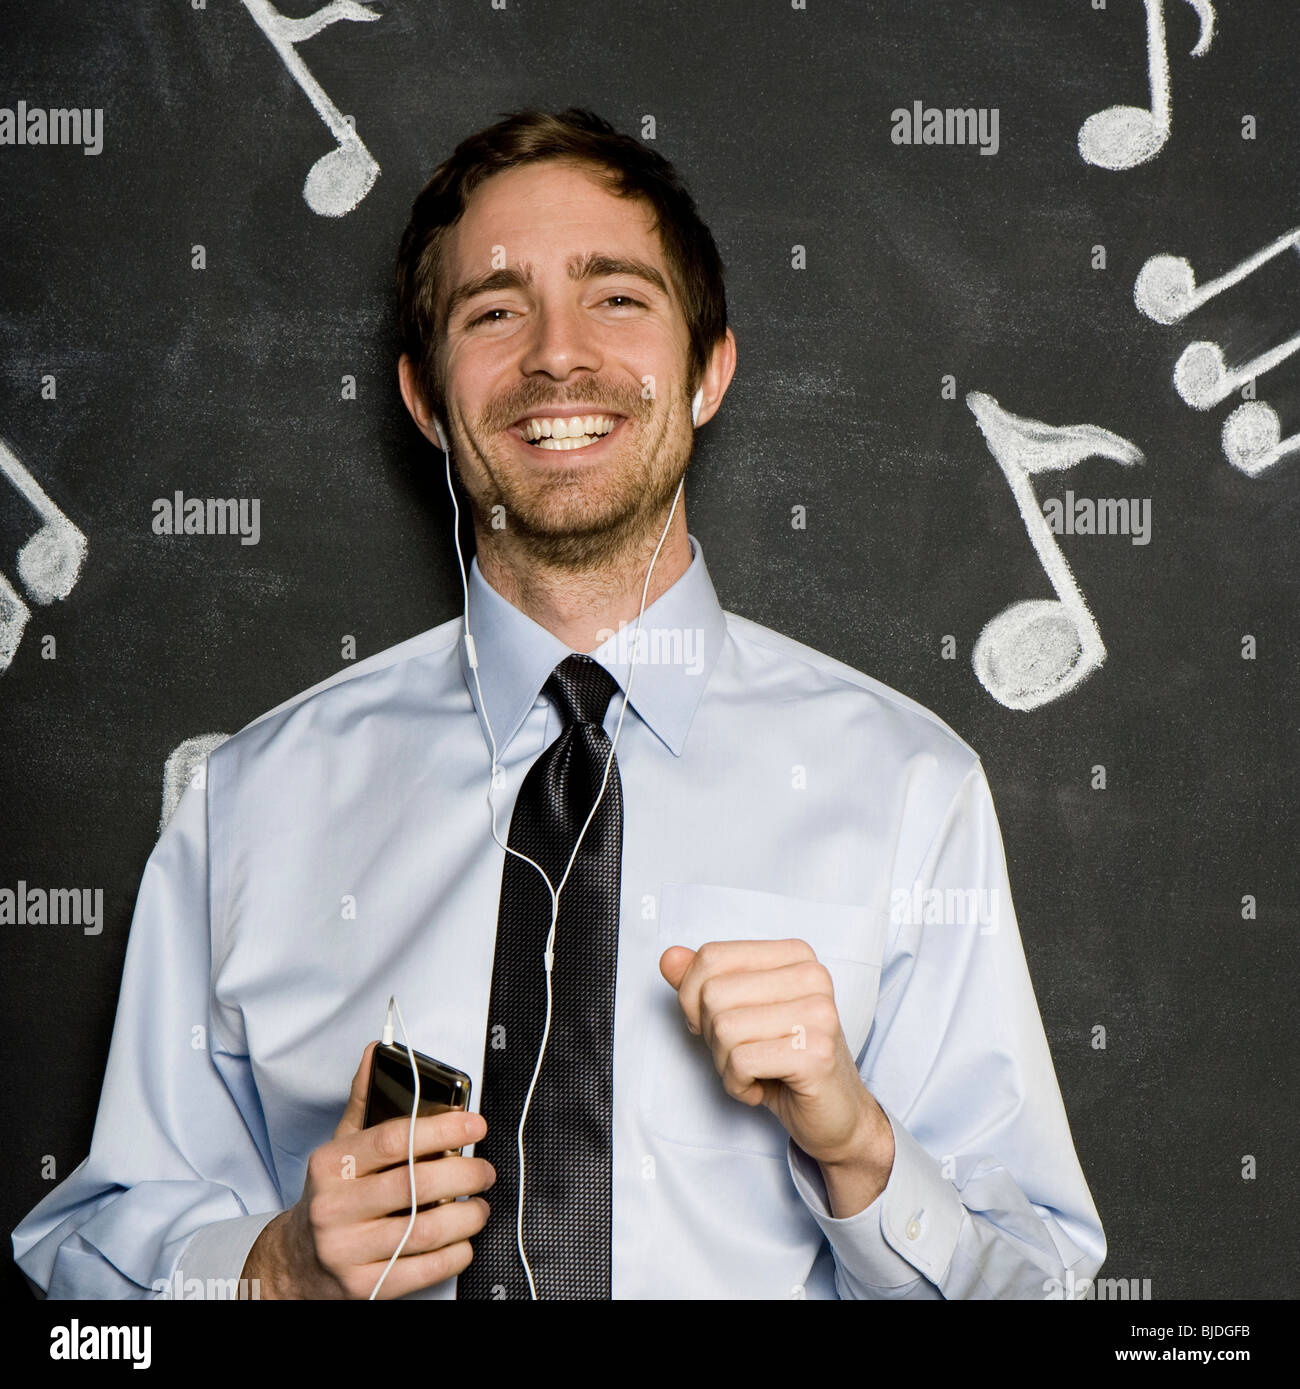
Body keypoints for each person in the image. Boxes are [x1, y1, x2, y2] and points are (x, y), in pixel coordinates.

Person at [12, 107, 1104, 1300]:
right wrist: (267, 1275)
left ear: (708, 374)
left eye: (618, 297)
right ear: (427, 401)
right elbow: (85, 1310)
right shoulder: (253, 803)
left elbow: (1040, 1290)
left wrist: (859, 1154)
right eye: (493, 310)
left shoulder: (906, 788)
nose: (556, 355)